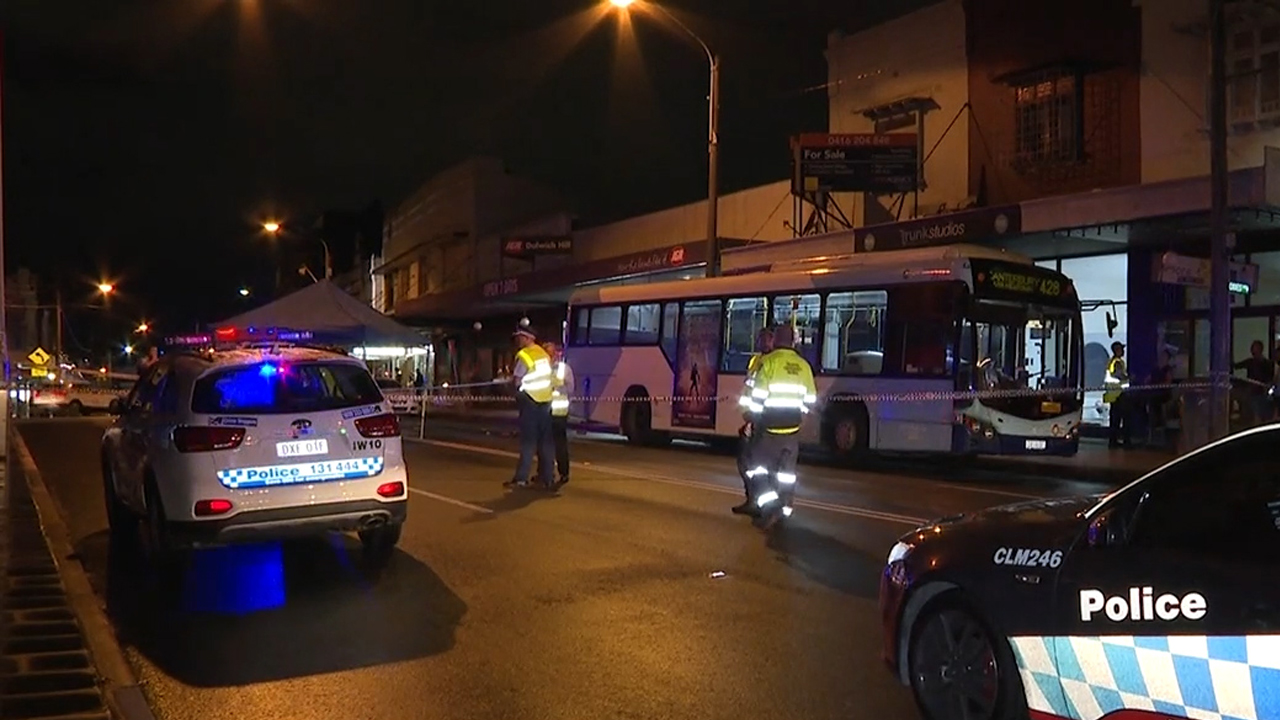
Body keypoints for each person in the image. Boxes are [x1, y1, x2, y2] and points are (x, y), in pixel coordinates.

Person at [737, 325, 817, 528]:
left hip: (769, 428)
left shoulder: (770, 363)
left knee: (756, 469)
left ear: (776, 340)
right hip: (792, 430)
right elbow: (811, 400)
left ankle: (771, 506)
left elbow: (758, 398)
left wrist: (752, 419)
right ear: (793, 341)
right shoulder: (804, 365)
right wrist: (799, 416)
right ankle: (785, 508)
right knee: (786, 474)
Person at [504, 327, 557, 490]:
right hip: (546, 400)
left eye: (519, 337)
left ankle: (521, 478)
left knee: (528, 441)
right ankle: (547, 477)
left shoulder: (525, 356)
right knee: (546, 442)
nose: (517, 340)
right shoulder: (543, 354)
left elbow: (518, 381)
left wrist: (509, 383)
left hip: (530, 401)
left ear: (528, 338)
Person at [733, 326, 776, 515]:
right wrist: (746, 414)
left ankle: (761, 502)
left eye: (767, 338)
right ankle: (753, 499)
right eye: (761, 338)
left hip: (764, 421)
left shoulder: (773, 362)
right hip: (752, 419)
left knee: (757, 464)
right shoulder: (756, 360)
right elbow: (748, 388)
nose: (763, 342)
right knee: (745, 462)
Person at [545, 341, 574, 486]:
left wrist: (554, 388)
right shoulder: (543, 368)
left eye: (551, 352)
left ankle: (563, 473)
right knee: (546, 444)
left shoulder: (563, 369)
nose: (550, 355)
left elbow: (570, 389)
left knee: (558, 444)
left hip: (558, 412)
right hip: (545, 410)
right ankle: (547, 474)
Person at [1234, 340, 1275, 425]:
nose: (1253, 351)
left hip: (1262, 392)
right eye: (1252, 348)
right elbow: (1236, 366)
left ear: (1260, 349)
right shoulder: (1250, 362)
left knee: (1261, 414)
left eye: (1255, 348)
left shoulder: (1267, 363)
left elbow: (1270, 378)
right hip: (1251, 392)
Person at [1103, 341, 1131, 448]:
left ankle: (1113, 441)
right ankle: (1125, 442)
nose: (1123, 351)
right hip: (1119, 395)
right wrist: (1129, 378)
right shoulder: (1117, 362)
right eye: (1121, 349)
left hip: (1113, 395)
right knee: (1123, 419)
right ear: (1117, 350)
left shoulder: (1111, 361)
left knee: (1114, 420)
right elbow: (1119, 376)